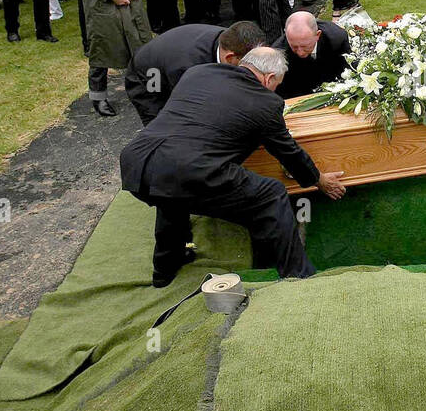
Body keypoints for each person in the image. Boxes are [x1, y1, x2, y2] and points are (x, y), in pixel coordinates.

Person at [119, 47, 346, 286]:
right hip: (187, 169)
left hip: (137, 162)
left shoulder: (199, 72)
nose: (275, 90)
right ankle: (299, 275)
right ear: (269, 78)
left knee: (172, 195)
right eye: (276, 84)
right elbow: (289, 153)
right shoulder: (267, 103)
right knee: (272, 194)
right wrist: (318, 179)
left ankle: (164, 271)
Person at [125, 20, 266, 125]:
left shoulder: (234, 41)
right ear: (230, 58)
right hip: (148, 76)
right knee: (163, 125)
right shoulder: (189, 69)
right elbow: (191, 107)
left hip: (172, 57)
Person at [271, 11, 350, 99]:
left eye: (305, 46)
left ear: (317, 35)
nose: (300, 52)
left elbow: (347, 71)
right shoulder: (278, 53)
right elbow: (281, 91)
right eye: (294, 47)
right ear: (286, 34)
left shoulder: (336, 39)